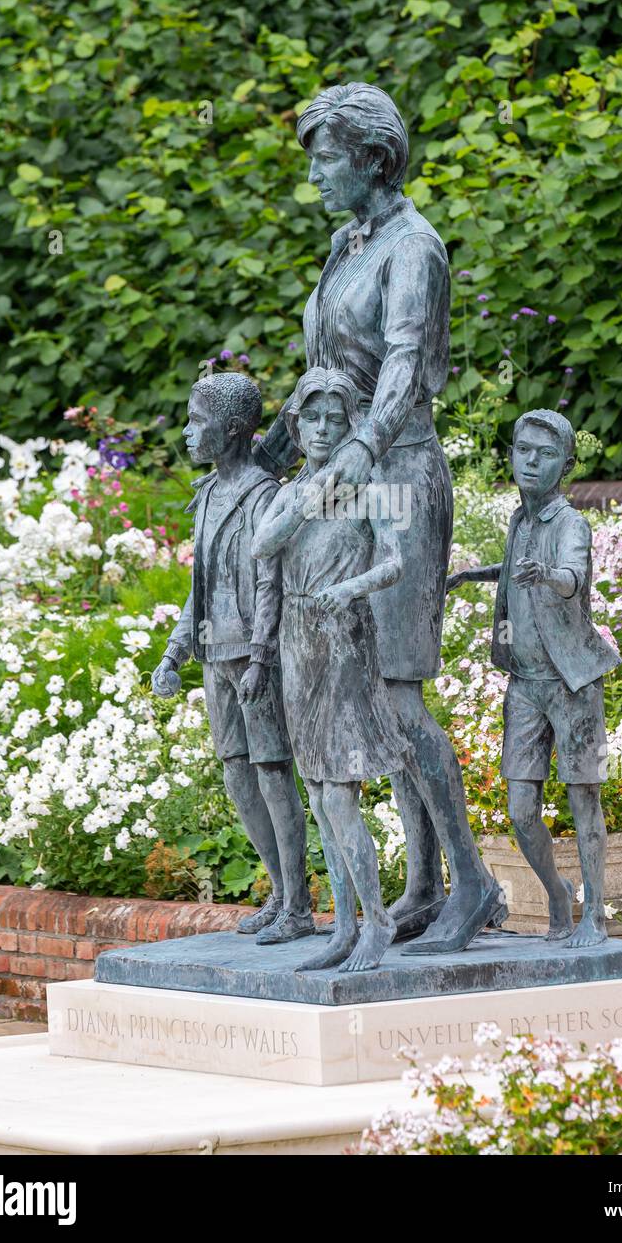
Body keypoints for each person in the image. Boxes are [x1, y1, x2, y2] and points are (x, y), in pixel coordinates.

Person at [254, 82, 502, 953]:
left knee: (396, 693)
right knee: (374, 695)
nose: (315, 173)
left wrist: (360, 449)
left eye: (326, 157)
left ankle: (473, 883)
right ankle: (427, 887)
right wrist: (271, 453)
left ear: (374, 158)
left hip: (395, 477)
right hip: (344, 478)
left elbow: (403, 368)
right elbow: (322, 368)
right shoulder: (344, 245)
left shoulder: (415, 248)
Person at [252, 368, 408, 973]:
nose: (321, 429)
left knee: (340, 792)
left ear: (349, 428)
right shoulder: (291, 493)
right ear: (294, 424)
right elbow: (264, 545)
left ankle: (378, 921)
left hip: (343, 640)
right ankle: (343, 926)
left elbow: (393, 562)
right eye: (310, 418)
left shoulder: (371, 489)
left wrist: (351, 589)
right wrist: (311, 497)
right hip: (297, 643)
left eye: (334, 420)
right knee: (316, 793)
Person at [446, 409, 621, 948]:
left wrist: (549, 576)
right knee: (520, 810)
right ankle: (556, 890)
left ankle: (593, 915)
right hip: (525, 684)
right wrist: (472, 574)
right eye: (523, 450)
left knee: (583, 796)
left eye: (545, 455)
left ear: (565, 466)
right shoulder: (520, 520)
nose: (530, 461)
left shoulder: (572, 524)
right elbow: (516, 566)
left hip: (572, 684)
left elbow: (573, 575)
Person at [151, 371, 313, 945]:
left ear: (237, 429)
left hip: (252, 652)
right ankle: (280, 891)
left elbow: (271, 582)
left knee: (273, 771)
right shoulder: (208, 495)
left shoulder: (262, 495)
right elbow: (203, 583)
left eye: (198, 421)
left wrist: (261, 657)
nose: (188, 433)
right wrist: (175, 650)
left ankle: (298, 903)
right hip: (214, 648)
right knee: (238, 775)